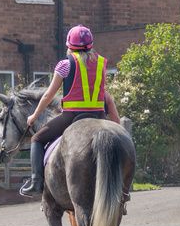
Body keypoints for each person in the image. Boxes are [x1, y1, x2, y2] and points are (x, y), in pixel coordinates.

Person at [20, 24, 121, 197]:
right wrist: (117, 125)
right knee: (117, 145)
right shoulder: (101, 63)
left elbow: (48, 96)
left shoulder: (65, 64)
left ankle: (36, 183)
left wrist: (34, 116)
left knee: (37, 139)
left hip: (73, 115)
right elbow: (108, 98)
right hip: (99, 115)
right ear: (91, 44)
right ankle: (121, 190)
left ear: (69, 45)